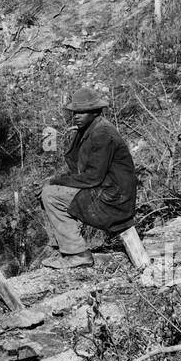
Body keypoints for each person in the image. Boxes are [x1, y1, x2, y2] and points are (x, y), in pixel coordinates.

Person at [39, 86, 137, 269]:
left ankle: (76, 254)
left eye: (82, 112)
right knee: (49, 191)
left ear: (95, 112)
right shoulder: (89, 130)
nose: (76, 116)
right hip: (107, 190)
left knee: (50, 195)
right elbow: (80, 169)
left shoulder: (102, 133)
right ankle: (68, 248)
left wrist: (55, 181)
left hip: (114, 198)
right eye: (75, 112)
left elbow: (92, 177)